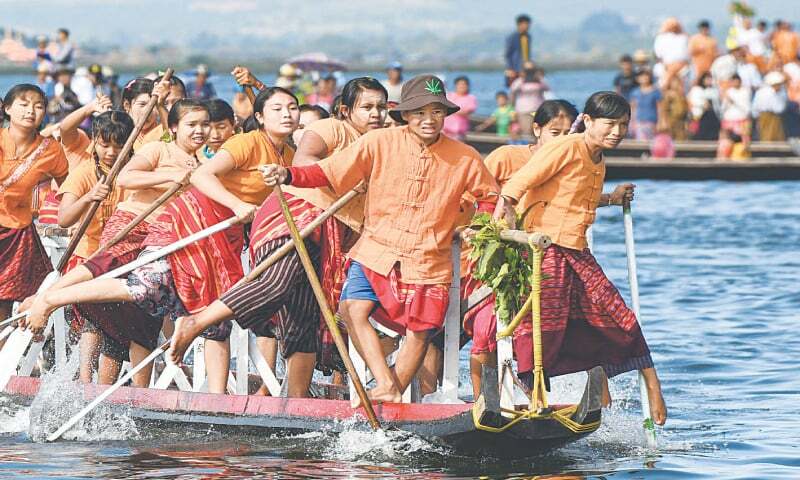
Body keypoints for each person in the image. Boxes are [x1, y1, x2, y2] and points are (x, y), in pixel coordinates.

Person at [246, 75, 500, 405]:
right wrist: (289, 175)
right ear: (406, 115)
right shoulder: (378, 142)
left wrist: (480, 225)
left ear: (445, 116)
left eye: (436, 112)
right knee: (351, 310)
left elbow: (491, 196)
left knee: (420, 331)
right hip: (377, 249)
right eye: (420, 112)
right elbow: (328, 171)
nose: (429, 119)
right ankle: (386, 384)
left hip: (428, 258)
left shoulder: (465, 156)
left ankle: (392, 394)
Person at [167, 78, 389, 398]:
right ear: (345, 110)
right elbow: (305, 161)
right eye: (367, 107)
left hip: (332, 236)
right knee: (276, 284)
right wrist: (344, 175)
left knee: (306, 320)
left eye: (382, 107)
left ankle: (296, 400)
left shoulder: (379, 143)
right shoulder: (330, 129)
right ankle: (196, 322)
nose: (376, 114)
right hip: (292, 219)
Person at [496, 91, 667, 426]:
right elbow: (520, 182)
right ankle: (536, 402)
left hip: (576, 251)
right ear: (587, 121)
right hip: (544, 250)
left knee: (617, 315)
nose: (617, 131)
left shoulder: (598, 158)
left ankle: (652, 385)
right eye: (610, 124)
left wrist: (612, 198)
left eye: (623, 125)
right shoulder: (566, 146)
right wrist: (504, 216)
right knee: (542, 331)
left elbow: (574, 199)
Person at [24, 100, 212, 386]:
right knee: (104, 274)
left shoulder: (205, 163)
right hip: (132, 228)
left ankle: (137, 395)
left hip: (164, 241)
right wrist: (174, 175)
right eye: (191, 125)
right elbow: (127, 177)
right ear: (173, 128)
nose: (199, 131)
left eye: (204, 125)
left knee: (145, 313)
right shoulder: (157, 149)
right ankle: (44, 300)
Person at [462, 99, 578, 400]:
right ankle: (482, 402)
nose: (562, 140)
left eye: (568, 133)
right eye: (555, 132)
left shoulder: (571, 164)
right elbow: (473, 194)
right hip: (498, 260)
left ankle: (536, 400)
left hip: (544, 260)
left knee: (546, 335)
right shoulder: (507, 156)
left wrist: (612, 198)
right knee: (488, 330)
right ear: (537, 129)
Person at [53, 109, 133, 383]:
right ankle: (86, 381)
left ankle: (105, 389)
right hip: (87, 260)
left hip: (124, 260)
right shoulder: (85, 172)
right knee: (94, 322)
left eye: (119, 145)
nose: (111, 152)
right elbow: (64, 219)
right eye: (105, 144)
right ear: (95, 142)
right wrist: (89, 197)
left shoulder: (136, 171)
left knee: (118, 330)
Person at [0, 85, 69, 326]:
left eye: (38, 106)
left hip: (15, 231)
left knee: (4, 303)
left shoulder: (51, 150)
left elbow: (68, 185)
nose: (31, 111)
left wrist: (70, 215)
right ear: (7, 108)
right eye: (24, 104)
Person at [510, 63, 549, 135]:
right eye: (527, 71)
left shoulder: (540, 81)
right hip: (524, 111)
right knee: (527, 132)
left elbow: (548, 89)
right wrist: (512, 107)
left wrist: (539, 77)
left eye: (531, 70)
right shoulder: (519, 81)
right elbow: (512, 93)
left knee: (539, 131)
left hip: (538, 110)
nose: (529, 73)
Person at [653, 17, 689, 87]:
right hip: (665, 67)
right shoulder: (661, 37)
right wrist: (668, 68)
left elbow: (688, 55)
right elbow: (658, 56)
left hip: (682, 67)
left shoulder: (684, 37)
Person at [752, 71, 788, 141]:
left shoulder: (760, 91)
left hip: (762, 117)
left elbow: (754, 108)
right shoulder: (771, 92)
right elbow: (779, 109)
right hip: (772, 118)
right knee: (772, 137)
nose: (780, 86)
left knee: (764, 136)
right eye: (778, 84)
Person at [629, 70, 663, 141]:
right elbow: (632, 108)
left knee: (652, 142)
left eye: (646, 76)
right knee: (640, 143)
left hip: (652, 122)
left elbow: (660, 108)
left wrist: (660, 122)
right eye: (641, 76)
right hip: (638, 122)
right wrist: (632, 122)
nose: (644, 78)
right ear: (637, 79)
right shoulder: (635, 92)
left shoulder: (655, 92)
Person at [687, 72, 721, 140]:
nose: (709, 81)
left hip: (712, 116)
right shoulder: (696, 90)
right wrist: (703, 104)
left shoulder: (714, 91)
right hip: (699, 116)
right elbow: (693, 101)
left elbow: (717, 104)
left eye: (710, 79)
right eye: (707, 79)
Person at [443, 76, 478, 141]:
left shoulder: (470, 98)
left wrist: (450, 110)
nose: (462, 86)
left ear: (468, 86)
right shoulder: (449, 95)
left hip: (458, 133)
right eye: (459, 84)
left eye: (464, 84)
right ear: (455, 85)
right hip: (444, 131)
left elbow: (467, 112)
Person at [720, 74, 752, 144]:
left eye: (737, 82)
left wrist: (733, 102)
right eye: (734, 82)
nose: (735, 83)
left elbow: (746, 106)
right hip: (729, 119)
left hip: (741, 119)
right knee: (727, 140)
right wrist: (726, 100)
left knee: (743, 141)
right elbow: (723, 107)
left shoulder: (745, 92)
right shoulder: (728, 92)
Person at [505, 14, 532, 86]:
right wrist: (510, 68)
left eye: (528, 24)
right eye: (526, 24)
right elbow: (508, 54)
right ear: (519, 24)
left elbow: (527, 53)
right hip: (514, 69)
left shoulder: (528, 37)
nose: (528, 26)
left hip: (525, 68)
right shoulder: (512, 37)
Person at [662, 76, 689, 140]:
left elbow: (685, 108)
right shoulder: (668, 94)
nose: (676, 84)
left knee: (681, 139)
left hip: (681, 121)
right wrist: (664, 121)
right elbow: (664, 109)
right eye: (674, 82)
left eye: (677, 82)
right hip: (671, 120)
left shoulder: (682, 94)